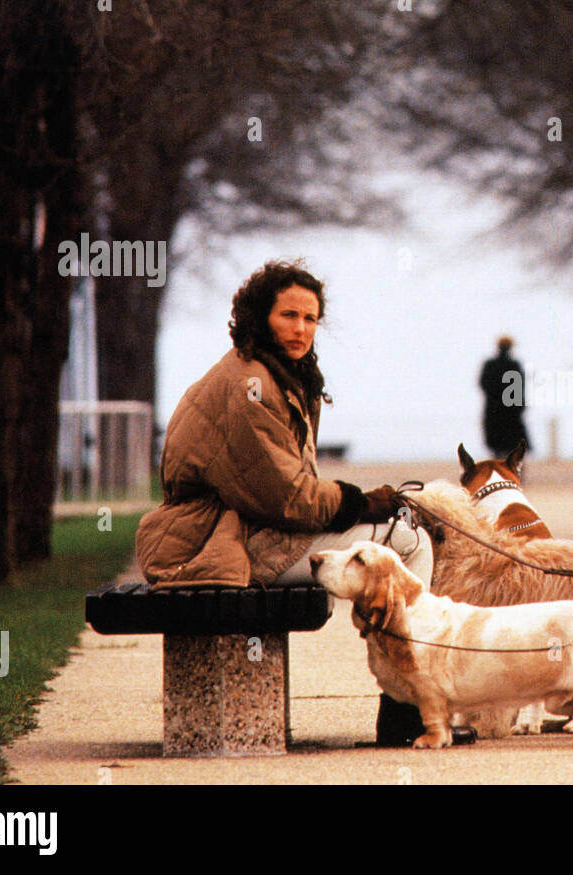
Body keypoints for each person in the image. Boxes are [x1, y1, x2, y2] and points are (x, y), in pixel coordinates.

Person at [134, 260, 441, 745]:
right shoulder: (250, 385)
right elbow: (288, 497)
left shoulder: (271, 373)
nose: (301, 329)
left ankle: (406, 698)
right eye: (288, 316)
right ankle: (408, 708)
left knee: (402, 539)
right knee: (408, 542)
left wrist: (364, 504)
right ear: (259, 316)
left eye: (310, 319)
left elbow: (286, 489)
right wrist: (363, 503)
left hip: (241, 532)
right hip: (219, 544)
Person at [478, 336, 530, 458]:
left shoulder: (490, 365)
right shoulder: (514, 365)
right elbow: (519, 391)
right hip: (511, 414)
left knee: (497, 450)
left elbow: (483, 385)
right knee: (514, 451)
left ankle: (498, 473)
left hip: (494, 413)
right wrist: (519, 409)